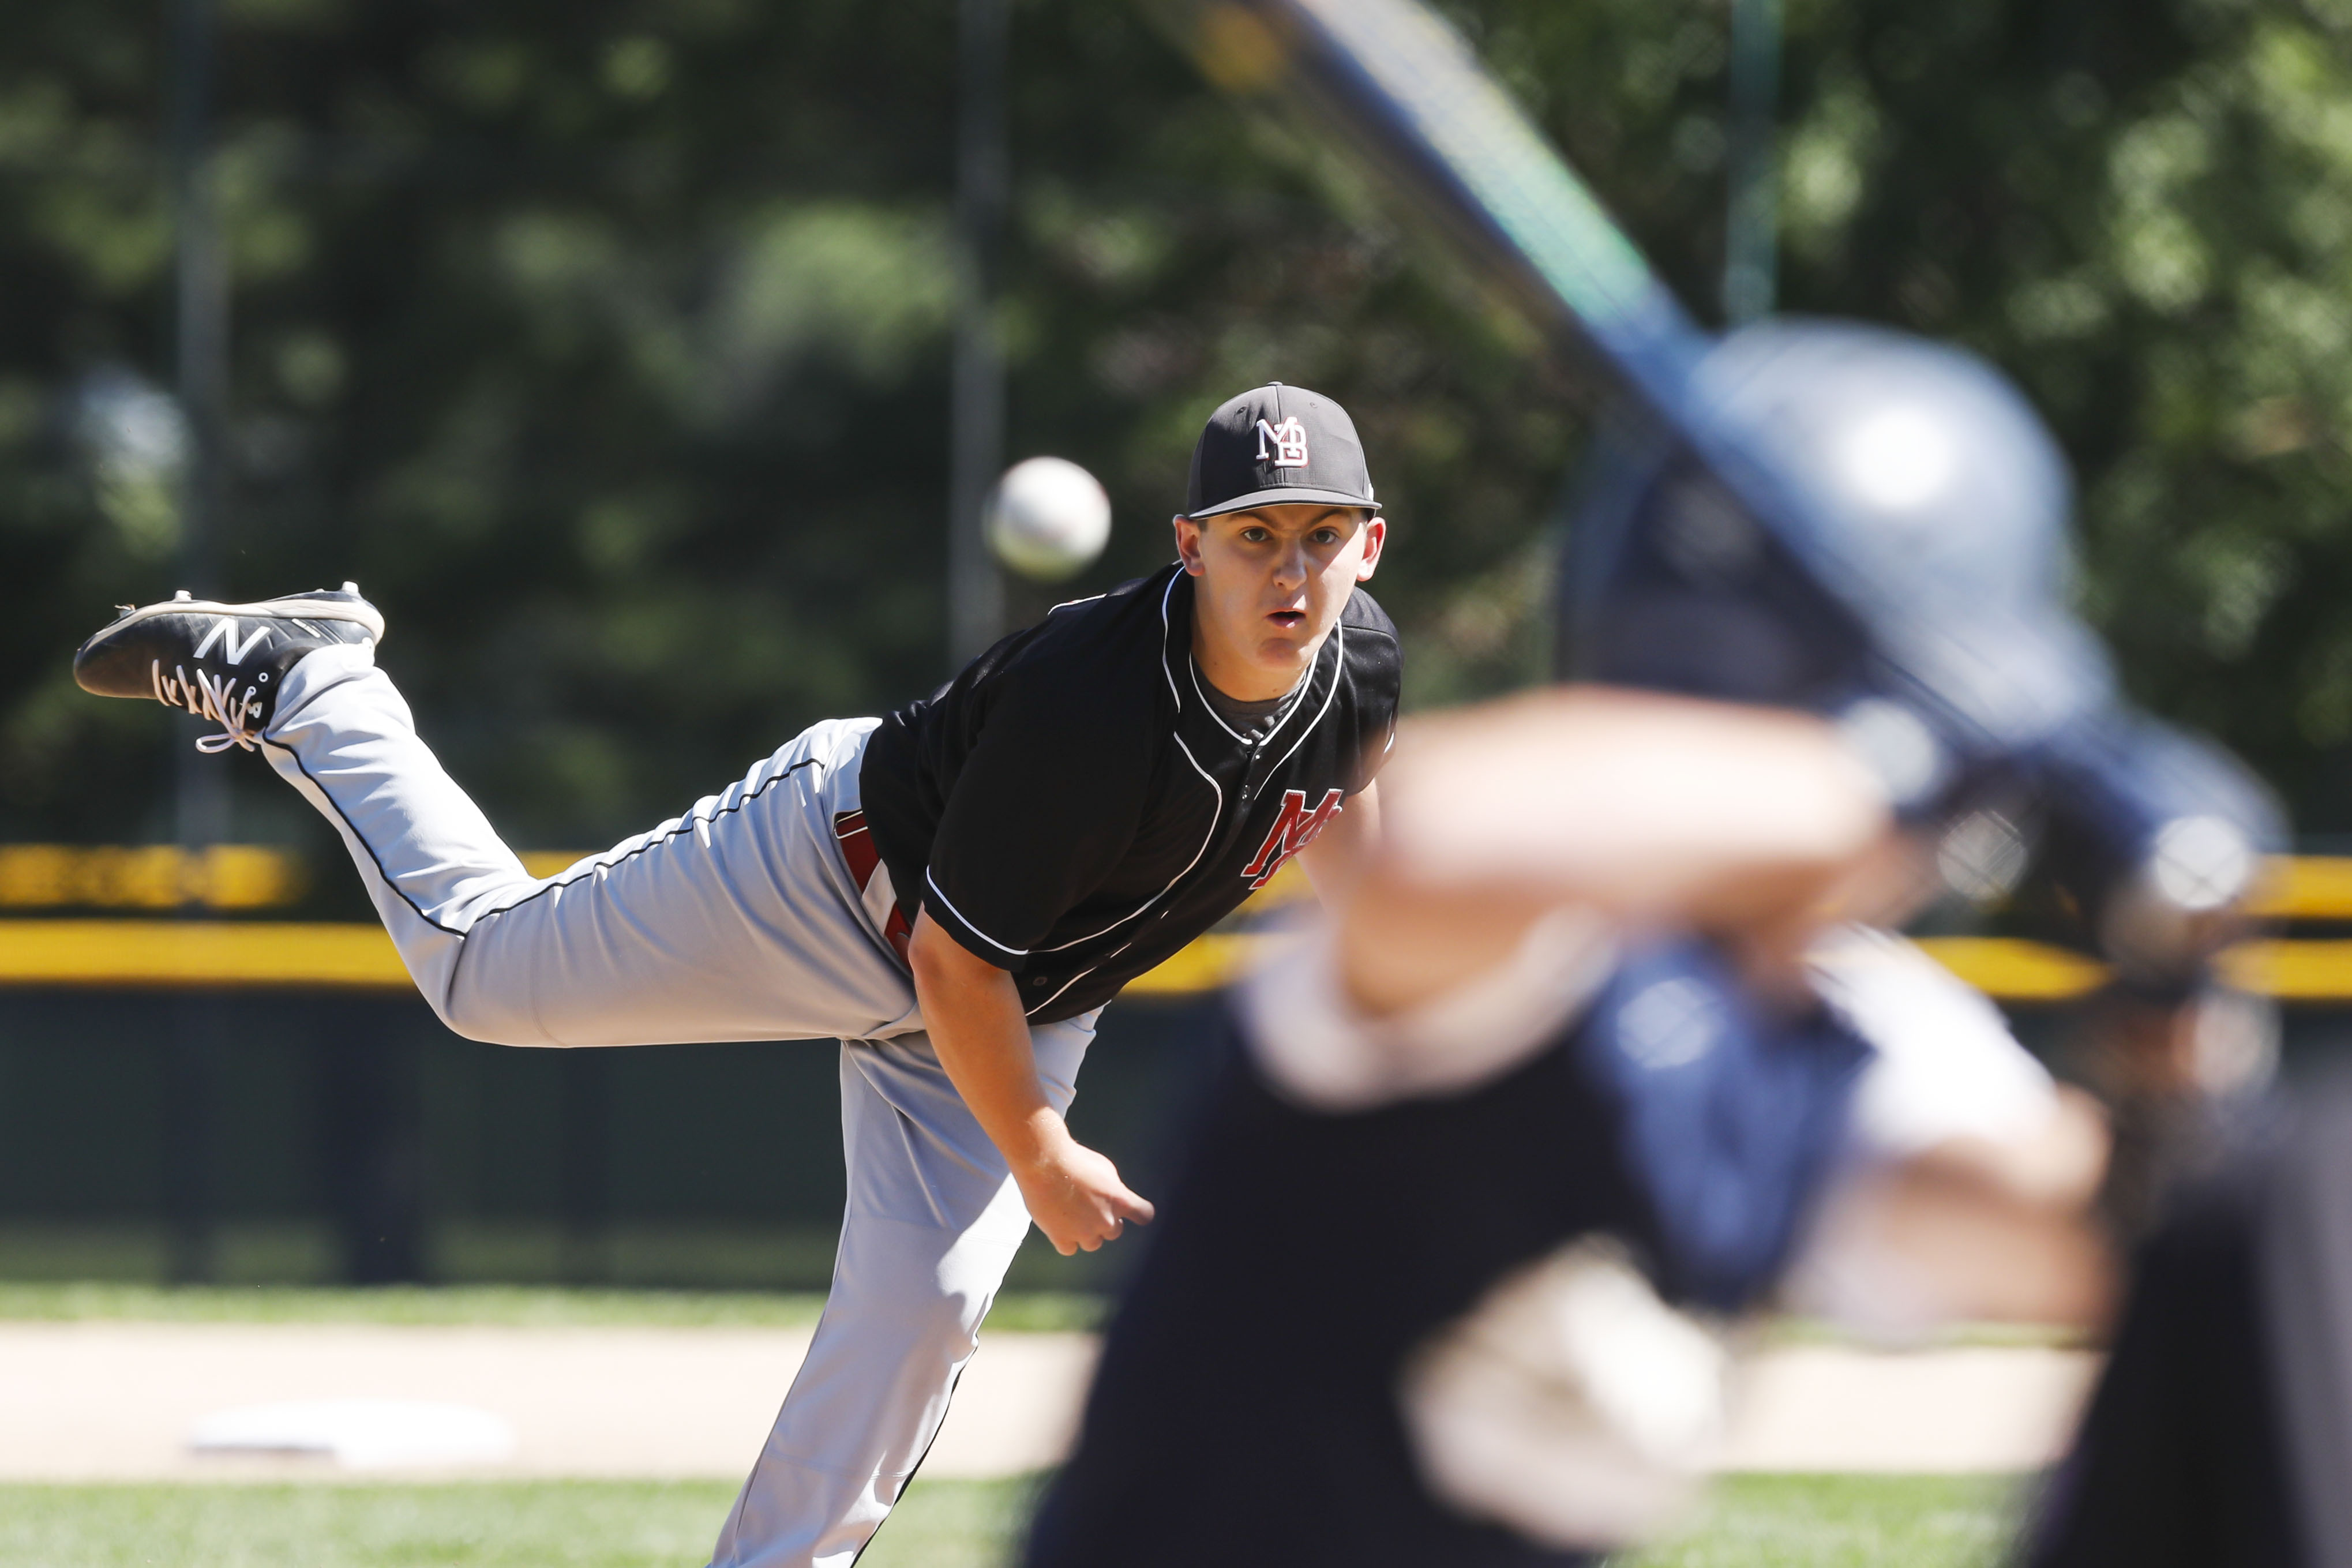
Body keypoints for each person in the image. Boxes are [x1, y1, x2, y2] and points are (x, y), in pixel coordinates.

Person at [70, 383, 1402, 1568]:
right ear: (1189, 546)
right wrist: (1042, 1153)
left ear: (1369, 544)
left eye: (1319, 534)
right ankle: (313, 681)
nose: (1289, 569)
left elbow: (1359, 845)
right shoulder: (1094, 703)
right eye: (1252, 533)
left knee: (923, 1315)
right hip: (829, 879)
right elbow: (952, 960)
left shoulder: (1360, 671)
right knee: (481, 976)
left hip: (1015, 999)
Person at [1021, 321, 2268, 1566]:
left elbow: (2097, 1250)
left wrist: (2172, 1005)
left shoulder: (1838, 1036)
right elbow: (1420, 845)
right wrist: (1901, 757)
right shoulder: (1524, 948)